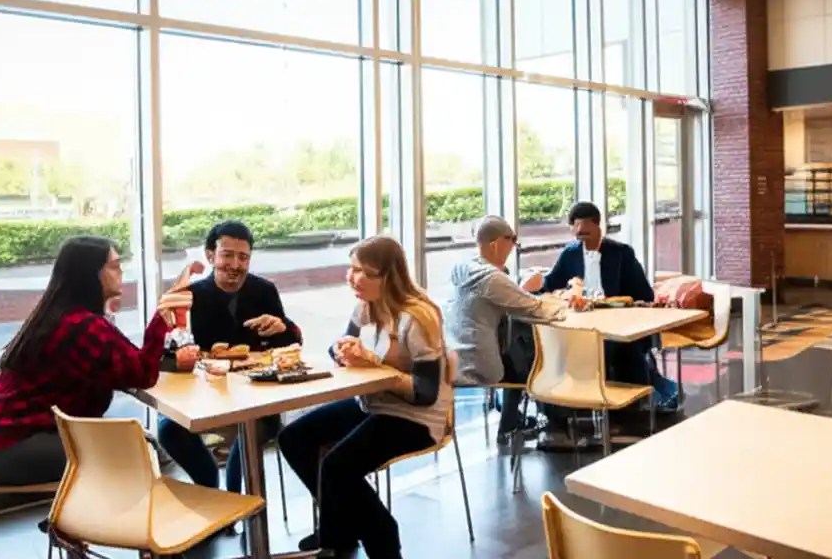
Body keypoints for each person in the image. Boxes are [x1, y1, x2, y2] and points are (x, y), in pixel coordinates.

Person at [278, 236, 453, 559]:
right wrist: (342, 350)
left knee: (337, 467)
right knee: (293, 438)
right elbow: (340, 345)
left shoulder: (417, 318)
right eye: (352, 268)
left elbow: (425, 394)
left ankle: (381, 536)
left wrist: (376, 365)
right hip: (371, 404)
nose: (353, 278)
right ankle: (340, 527)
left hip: (414, 418)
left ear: (390, 277)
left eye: (366, 273)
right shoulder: (365, 308)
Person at [0, 235, 184, 486]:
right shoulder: (81, 326)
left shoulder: (62, 315)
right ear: (91, 275)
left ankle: (98, 521)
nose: (121, 271)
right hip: (8, 446)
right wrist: (161, 319)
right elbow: (142, 374)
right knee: (139, 450)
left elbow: (126, 362)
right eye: (113, 266)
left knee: (143, 442)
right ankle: (161, 518)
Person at [156, 221, 301, 496]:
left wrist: (282, 328)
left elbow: (291, 345)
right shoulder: (189, 297)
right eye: (227, 255)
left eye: (243, 257)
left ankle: (236, 498)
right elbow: (165, 356)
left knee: (252, 429)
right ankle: (210, 487)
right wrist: (182, 358)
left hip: (257, 398)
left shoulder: (264, 291)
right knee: (168, 430)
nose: (235, 264)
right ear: (210, 256)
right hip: (204, 396)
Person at [533, 201, 678, 411]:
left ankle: (644, 397)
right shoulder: (570, 253)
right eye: (578, 235)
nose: (582, 239)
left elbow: (643, 293)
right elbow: (550, 285)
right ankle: (569, 405)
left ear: (598, 226)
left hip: (618, 320)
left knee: (622, 348)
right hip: (582, 323)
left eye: (586, 233)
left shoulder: (621, 253)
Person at [444, 215, 567, 443]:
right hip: (480, 365)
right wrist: (567, 302)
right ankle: (556, 424)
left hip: (455, 357)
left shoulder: (463, 267)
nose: (513, 246)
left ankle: (512, 421)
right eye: (511, 239)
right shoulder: (491, 279)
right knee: (542, 358)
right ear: (495, 244)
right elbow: (536, 309)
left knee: (519, 347)